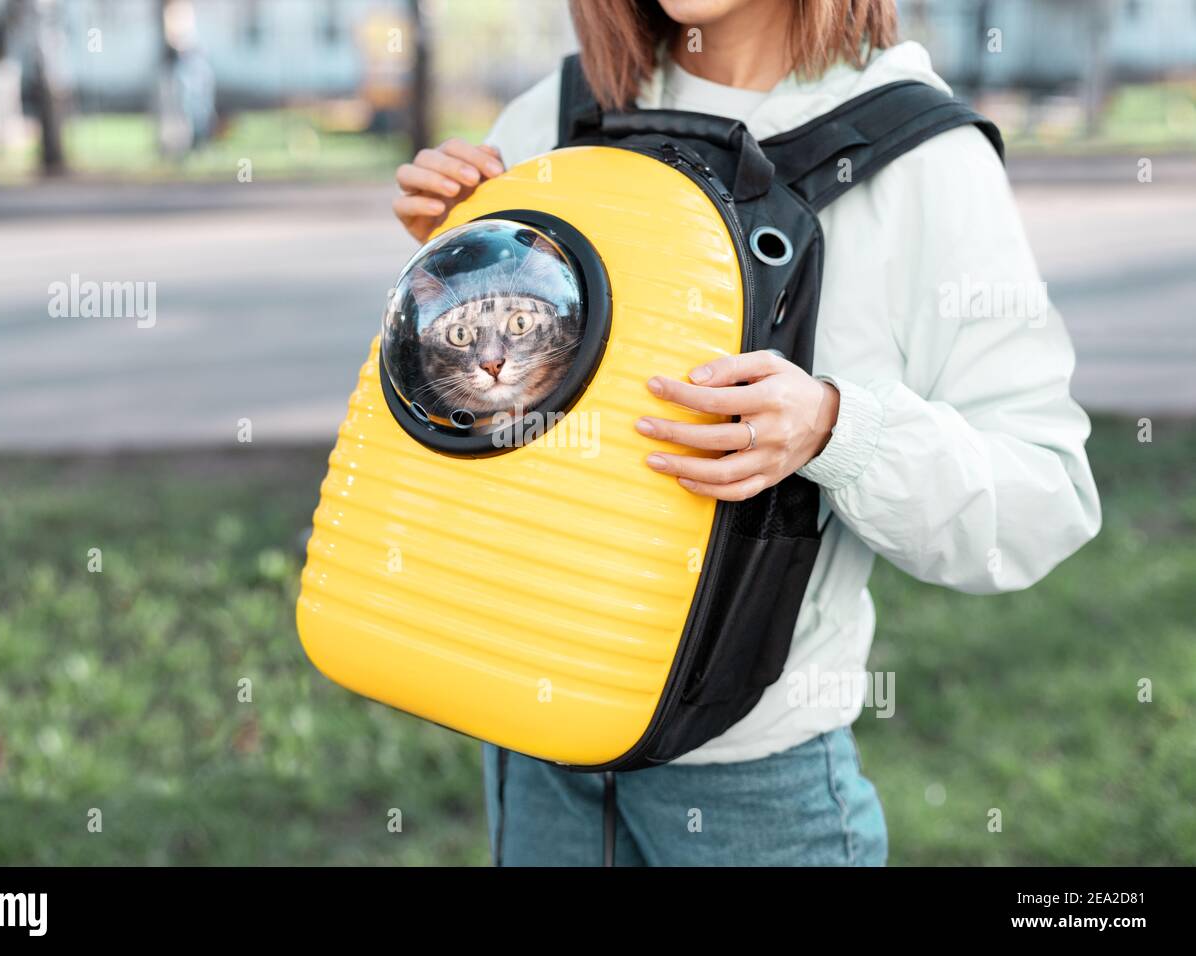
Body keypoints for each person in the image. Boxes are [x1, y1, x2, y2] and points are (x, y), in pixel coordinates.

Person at [392, 0, 1101, 866]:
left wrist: (839, 429)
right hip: (528, 740)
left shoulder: (924, 157)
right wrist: (459, 274)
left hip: (752, 788)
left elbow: (1043, 497)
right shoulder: (551, 119)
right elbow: (472, 429)